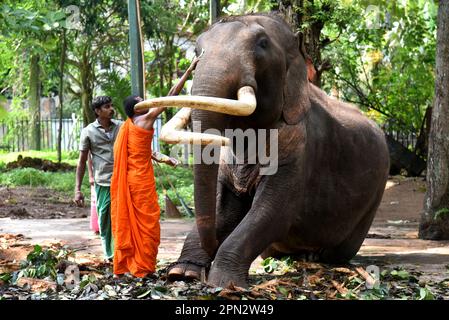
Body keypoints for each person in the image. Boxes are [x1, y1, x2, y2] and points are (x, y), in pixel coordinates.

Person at [111, 57, 199, 278]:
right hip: (140, 180)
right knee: (148, 223)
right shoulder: (144, 119)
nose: (149, 104)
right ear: (137, 109)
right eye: (144, 102)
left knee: (138, 222)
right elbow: (170, 95)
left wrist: (165, 159)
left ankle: (135, 265)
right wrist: (188, 70)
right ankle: (142, 267)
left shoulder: (127, 127)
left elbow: (142, 151)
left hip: (133, 178)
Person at [74, 96, 123, 261]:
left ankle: (121, 252)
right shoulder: (88, 131)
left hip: (122, 179)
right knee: (104, 217)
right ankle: (109, 252)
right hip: (103, 181)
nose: (111, 109)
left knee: (122, 217)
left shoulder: (121, 127)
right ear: (97, 111)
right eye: (107, 107)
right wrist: (78, 189)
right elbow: (82, 161)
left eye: (111, 106)